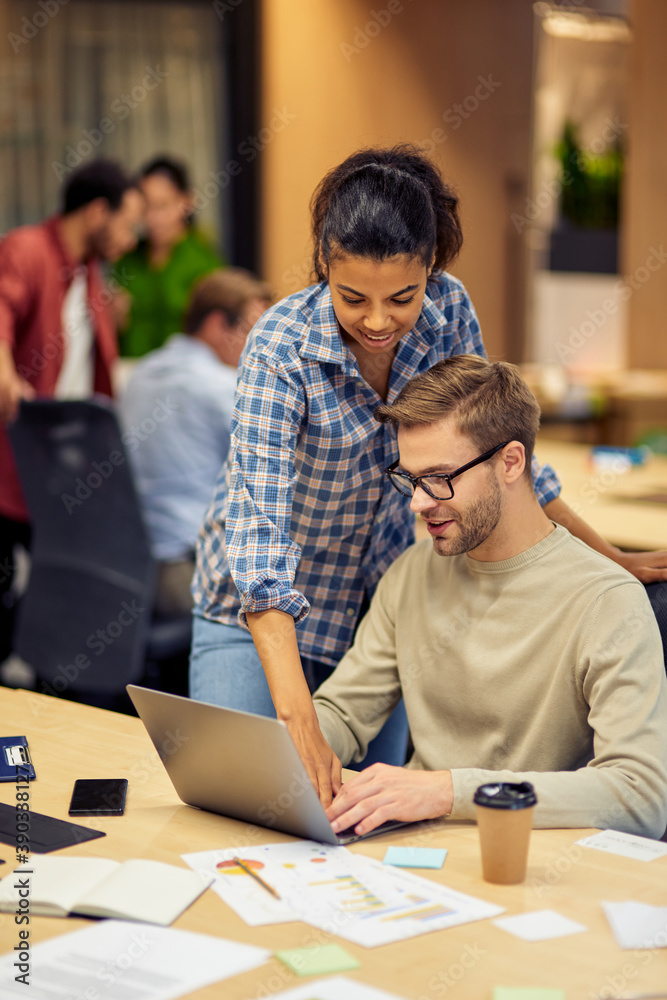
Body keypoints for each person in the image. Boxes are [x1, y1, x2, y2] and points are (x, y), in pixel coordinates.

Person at [191, 144, 667, 808]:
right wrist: (296, 720)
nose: (379, 320)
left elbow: (500, 441)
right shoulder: (279, 346)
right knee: (243, 799)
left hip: (374, 599)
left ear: (430, 271)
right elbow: (258, 532)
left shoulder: (447, 312)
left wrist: (609, 557)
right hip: (258, 610)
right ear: (324, 266)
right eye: (352, 297)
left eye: (402, 296)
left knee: (374, 812)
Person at [314, 355, 667, 840]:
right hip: (412, 852)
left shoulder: (606, 601)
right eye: (411, 479)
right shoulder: (412, 573)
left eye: (439, 477)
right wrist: (285, 749)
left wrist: (449, 792)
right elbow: (343, 713)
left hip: (528, 862)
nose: (418, 502)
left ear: (511, 462)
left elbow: (640, 797)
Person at [0, 159, 143, 664]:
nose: (132, 237)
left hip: (61, 472)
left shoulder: (88, 274)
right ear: (97, 212)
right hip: (13, 464)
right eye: (128, 221)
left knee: (59, 602)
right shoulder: (27, 249)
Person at [119, 268, 271, 617]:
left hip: (128, 567)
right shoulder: (223, 386)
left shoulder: (140, 374)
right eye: (252, 331)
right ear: (218, 325)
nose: (258, 347)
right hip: (190, 572)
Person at [114, 155, 224, 358]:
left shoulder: (204, 263)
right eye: (146, 208)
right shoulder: (126, 259)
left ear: (187, 202)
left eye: (163, 206)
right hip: (130, 374)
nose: (153, 218)